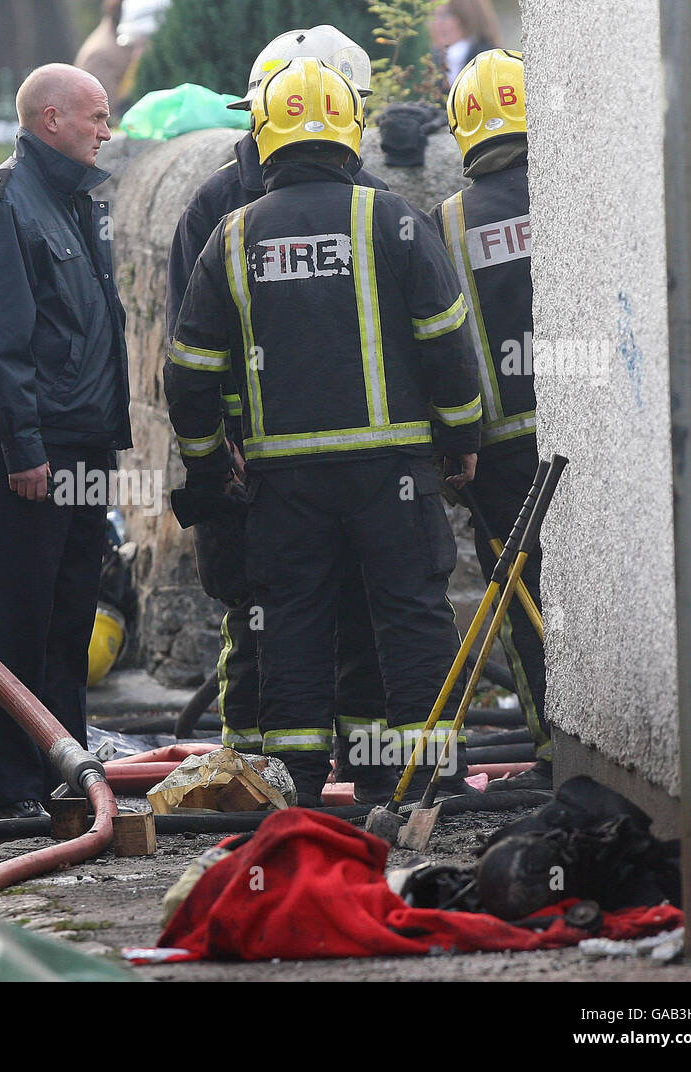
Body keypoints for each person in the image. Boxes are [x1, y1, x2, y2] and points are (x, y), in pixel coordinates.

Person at [166, 58, 481, 805]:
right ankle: (425, 779)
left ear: (264, 135)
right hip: (392, 475)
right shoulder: (393, 217)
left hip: (284, 484)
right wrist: (460, 439)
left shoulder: (233, 234)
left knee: (295, 622)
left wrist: (213, 466)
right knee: (407, 612)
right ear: (352, 131)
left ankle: (295, 785)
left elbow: (188, 372)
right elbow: (446, 338)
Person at [167, 25, 389, 791]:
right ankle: (255, 778)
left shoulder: (368, 203)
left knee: (352, 619)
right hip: (250, 467)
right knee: (259, 623)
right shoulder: (217, 208)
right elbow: (191, 351)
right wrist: (221, 448)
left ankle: (357, 775)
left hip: (311, 467)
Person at [0, 64, 131, 819]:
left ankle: (64, 768)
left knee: (68, 617)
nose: (105, 130)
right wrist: (22, 449)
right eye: (96, 117)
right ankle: (10, 789)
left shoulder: (73, 202)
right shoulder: (0, 207)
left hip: (83, 444)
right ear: (50, 119)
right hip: (37, 454)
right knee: (18, 617)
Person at [433, 50, 550, 790]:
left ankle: (550, 742)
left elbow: (439, 343)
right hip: (589, 436)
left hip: (498, 453)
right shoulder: (573, 194)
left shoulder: (445, 221)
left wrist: (454, 445)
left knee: (524, 592)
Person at [429, 0, 502, 88]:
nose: (437, 23)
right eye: (433, 15)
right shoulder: (431, 64)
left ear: (468, 16)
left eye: (447, 14)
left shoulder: (489, 60)